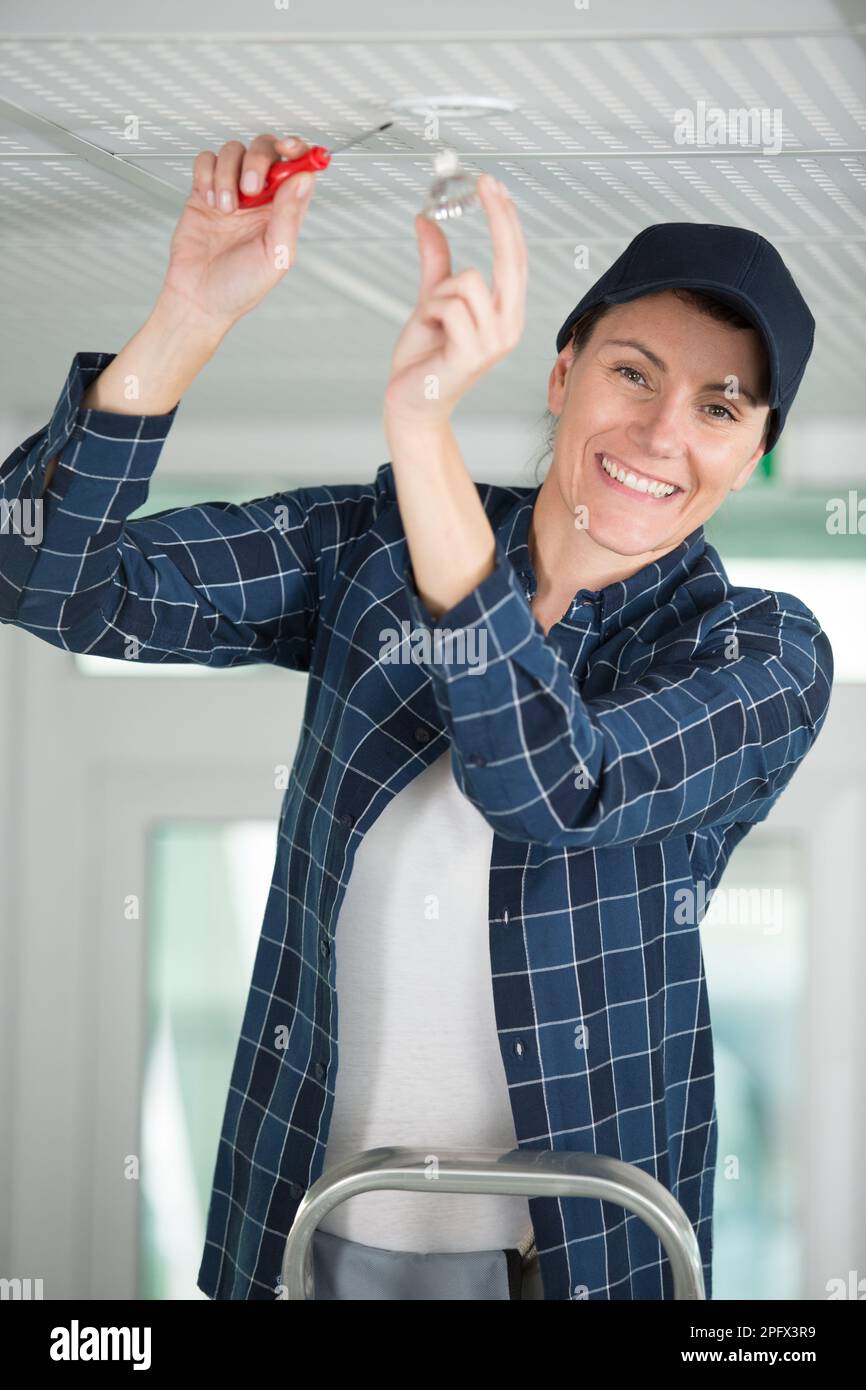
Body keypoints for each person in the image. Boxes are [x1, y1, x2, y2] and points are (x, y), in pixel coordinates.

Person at [0, 134, 833, 1301]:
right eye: (631, 374)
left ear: (752, 454)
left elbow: (553, 784)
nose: (660, 436)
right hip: (303, 1237)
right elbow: (47, 578)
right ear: (560, 374)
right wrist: (189, 312)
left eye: (718, 406)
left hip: (575, 1264)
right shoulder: (368, 549)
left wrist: (423, 434)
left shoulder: (760, 650)